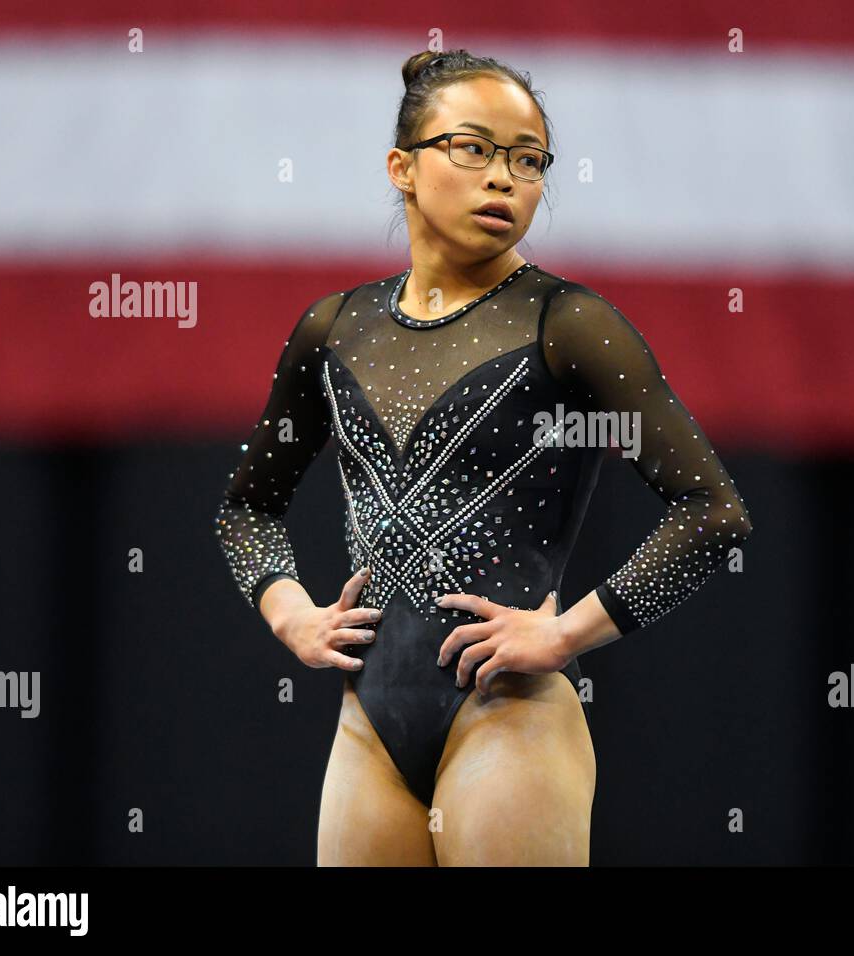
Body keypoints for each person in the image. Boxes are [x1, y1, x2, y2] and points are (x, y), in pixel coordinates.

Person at [213, 49, 753, 866]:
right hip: (367, 731)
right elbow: (246, 507)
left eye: (528, 160)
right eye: (473, 148)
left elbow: (714, 512)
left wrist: (570, 633)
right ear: (403, 166)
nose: (504, 179)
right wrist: (290, 613)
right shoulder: (333, 329)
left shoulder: (567, 324)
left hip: (509, 718)